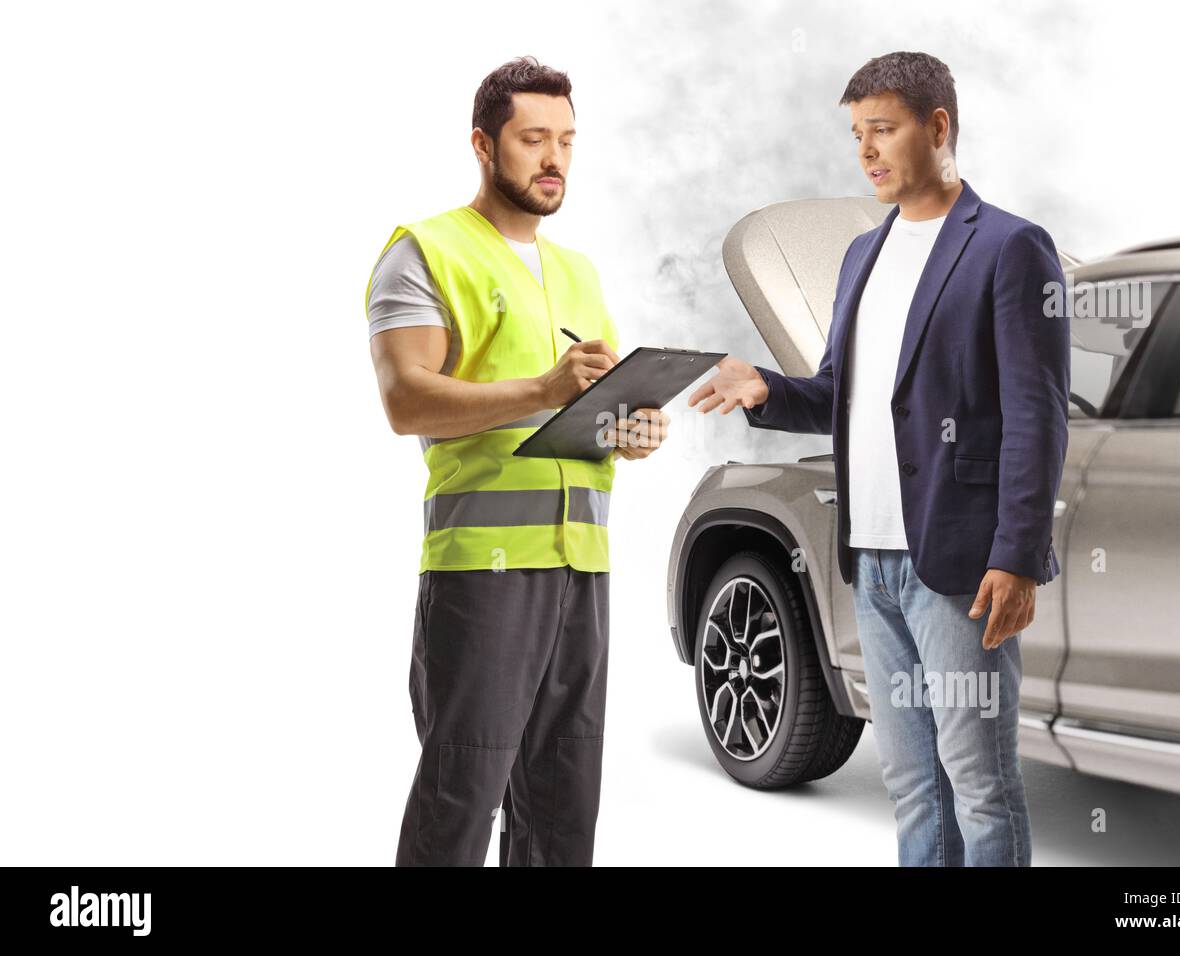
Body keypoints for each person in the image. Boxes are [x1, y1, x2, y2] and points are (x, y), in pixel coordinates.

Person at [688, 51, 1069, 866]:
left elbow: (1038, 415)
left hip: (962, 564)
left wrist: (1019, 556)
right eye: (857, 134)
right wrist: (766, 388)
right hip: (873, 561)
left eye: (883, 130)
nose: (865, 151)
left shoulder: (1011, 247)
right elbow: (841, 395)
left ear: (938, 128)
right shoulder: (865, 254)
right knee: (910, 781)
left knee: (981, 782)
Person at [366, 56, 669, 866]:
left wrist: (629, 430)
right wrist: (539, 386)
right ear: (483, 144)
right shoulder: (424, 252)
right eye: (534, 138)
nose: (555, 158)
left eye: (567, 140)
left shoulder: (577, 271)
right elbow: (406, 402)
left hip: (583, 565)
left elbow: (585, 407)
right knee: (461, 796)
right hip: (484, 573)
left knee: (565, 802)